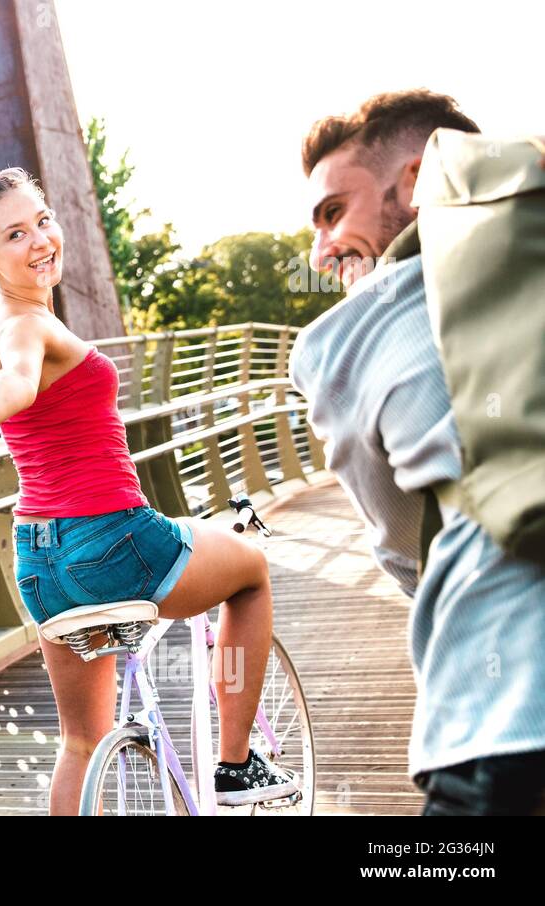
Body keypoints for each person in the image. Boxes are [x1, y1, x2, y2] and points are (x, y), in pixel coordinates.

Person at [0, 164, 299, 814]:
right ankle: (235, 764)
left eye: (43, 221)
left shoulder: (8, 324)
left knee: (80, 742)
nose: (40, 241)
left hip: (41, 563)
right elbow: (15, 383)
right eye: (15, 235)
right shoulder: (25, 326)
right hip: (113, 538)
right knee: (250, 570)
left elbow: (19, 386)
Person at [290, 89, 545, 815]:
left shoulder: (341, 339)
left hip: (506, 714)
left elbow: (406, 548)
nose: (321, 251)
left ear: (414, 182)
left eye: (333, 211)